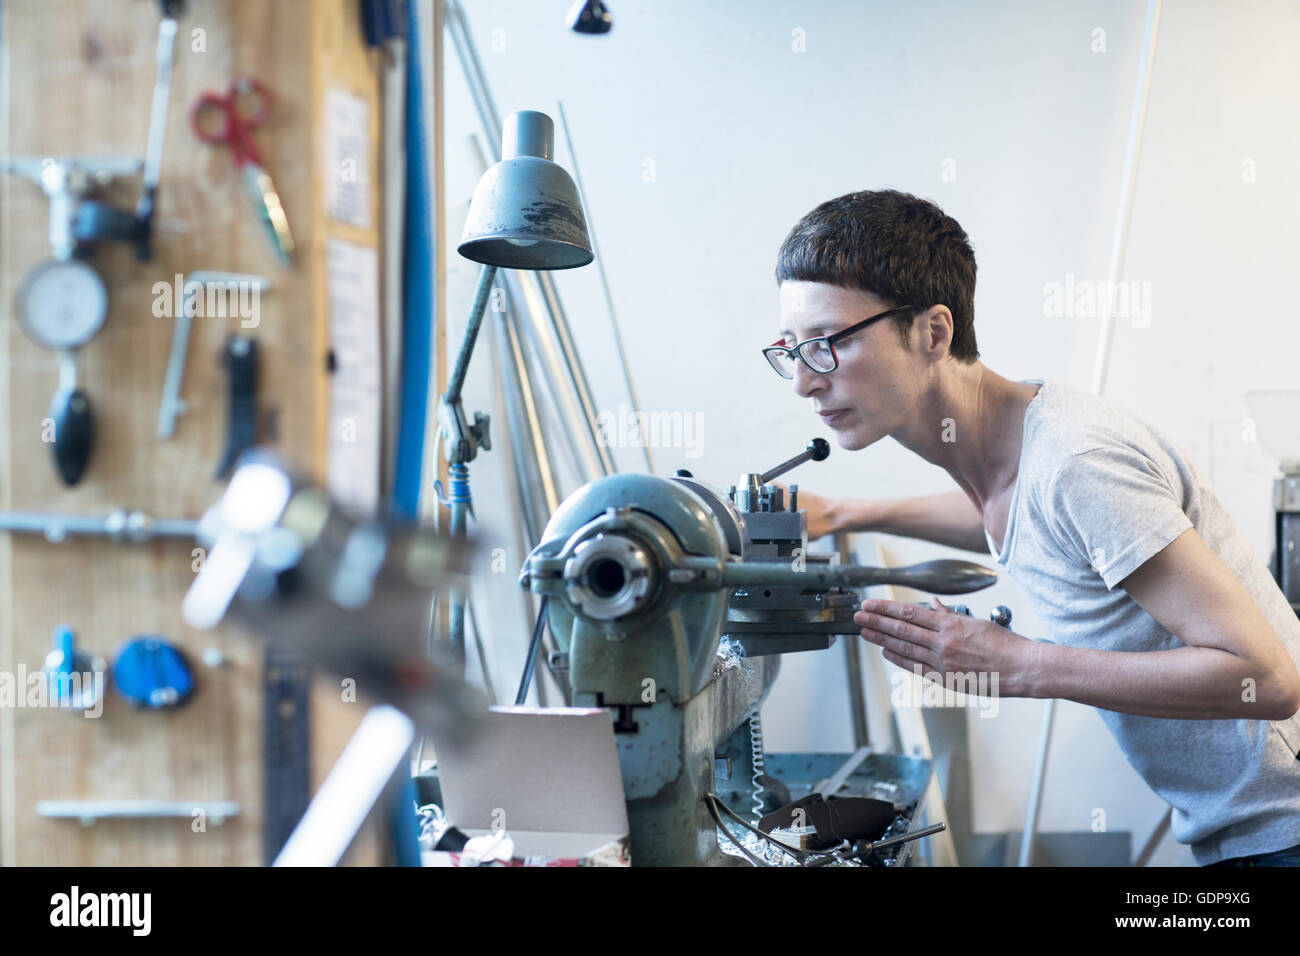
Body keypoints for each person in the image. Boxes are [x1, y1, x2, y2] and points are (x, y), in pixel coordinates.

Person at [766, 189, 1300, 866]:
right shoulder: (1017, 457)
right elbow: (1020, 512)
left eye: (827, 345)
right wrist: (845, 513)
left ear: (933, 332)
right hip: (1245, 832)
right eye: (791, 350)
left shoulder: (1078, 461)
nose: (802, 382)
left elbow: (1269, 679)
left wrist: (1018, 665)